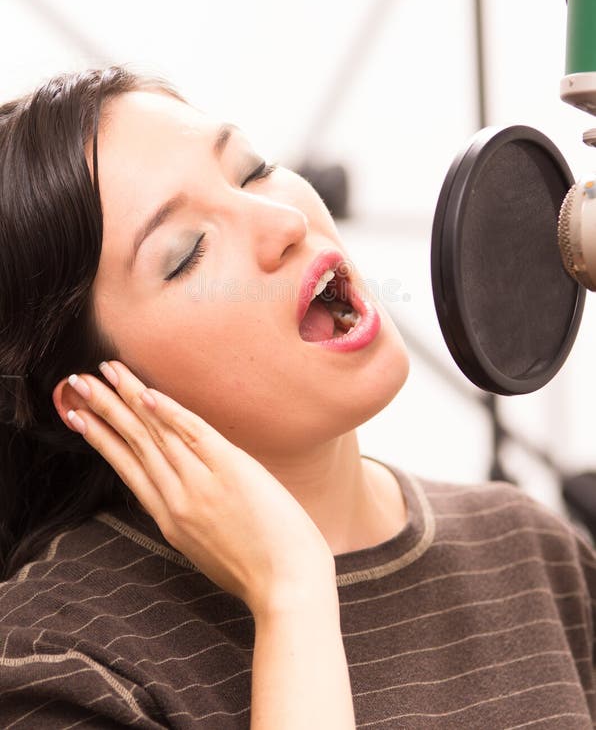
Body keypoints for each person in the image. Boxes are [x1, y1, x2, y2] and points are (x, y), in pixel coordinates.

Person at [0, 65, 593, 729]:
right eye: (187, 251)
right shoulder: (62, 665)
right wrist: (292, 599)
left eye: (254, 169)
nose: (282, 219)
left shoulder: (532, 551)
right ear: (92, 397)